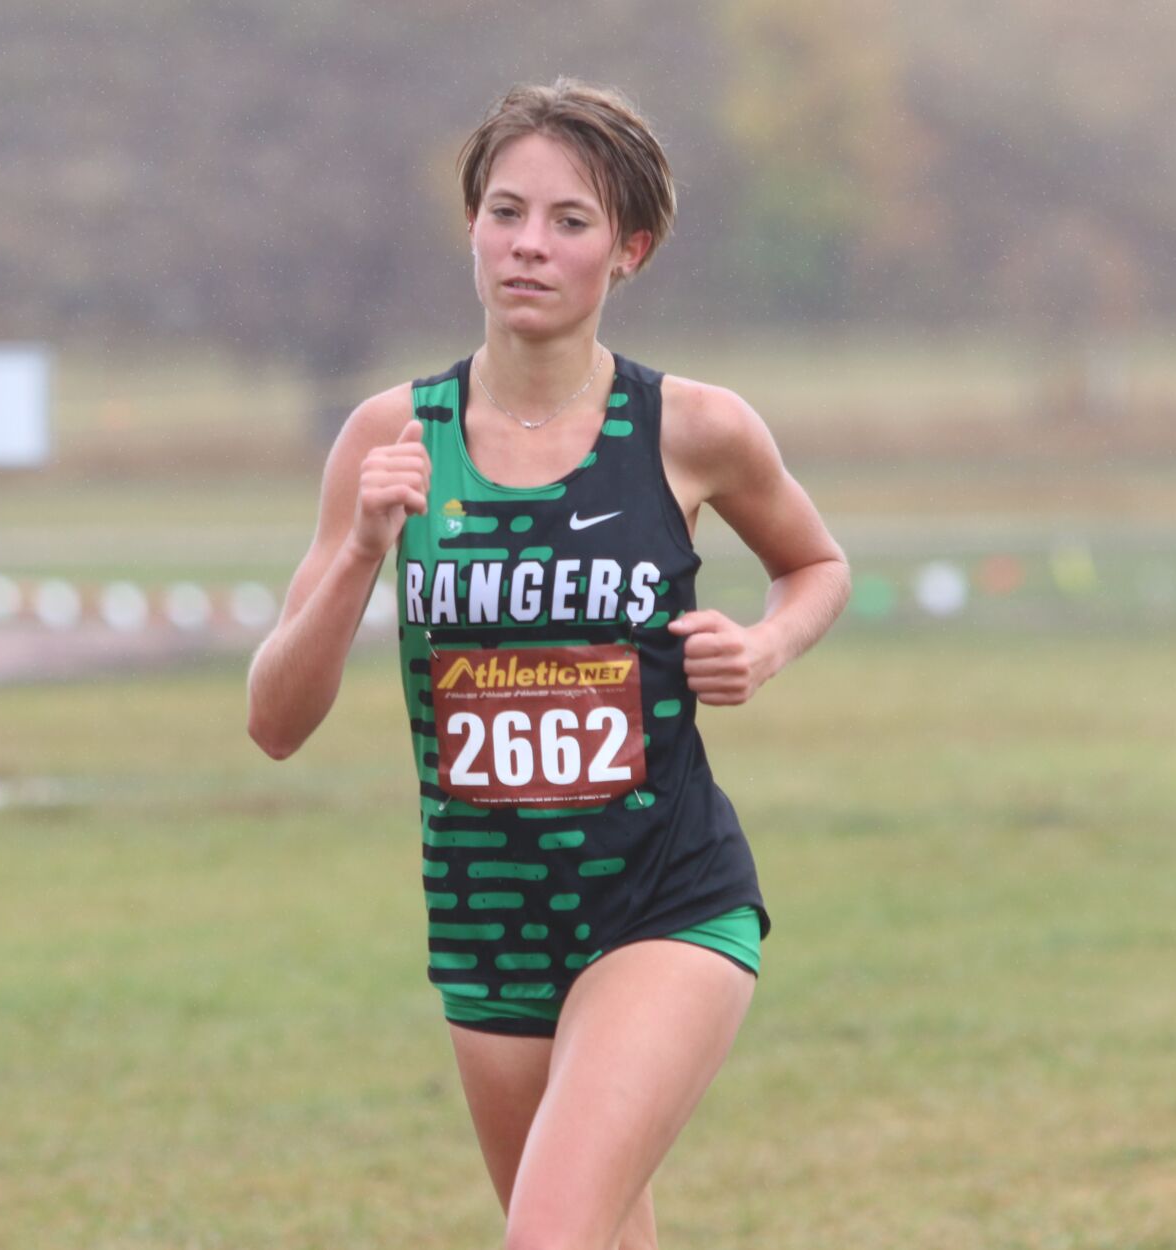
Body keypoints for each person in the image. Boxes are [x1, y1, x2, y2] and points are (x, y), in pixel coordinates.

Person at [247, 78, 849, 1250]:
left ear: (628, 249)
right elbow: (275, 718)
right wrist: (362, 554)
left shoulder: (690, 427)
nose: (528, 245)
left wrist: (762, 644)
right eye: (505, 211)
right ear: (470, 225)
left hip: (664, 899)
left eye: (568, 221)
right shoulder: (387, 437)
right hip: (487, 922)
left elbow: (814, 564)